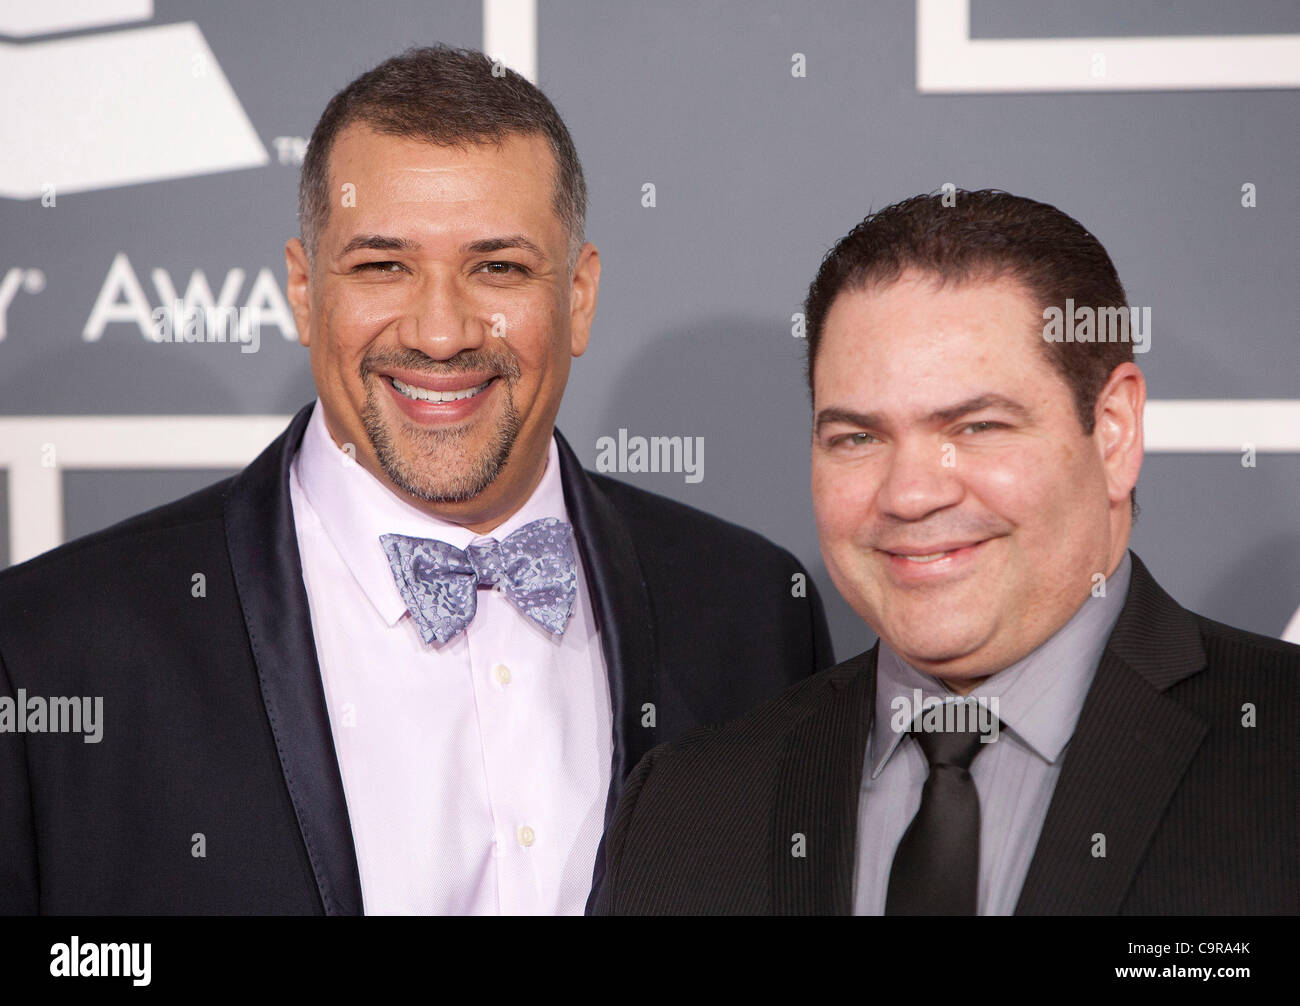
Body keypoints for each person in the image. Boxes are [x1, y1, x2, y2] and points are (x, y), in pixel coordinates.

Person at [0, 46, 832, 915]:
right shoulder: (54, 651)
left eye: (499, 267)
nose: (441, 333)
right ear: (301, 291)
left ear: (578, 298)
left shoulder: (752, 611)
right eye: (382, 266)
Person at [591, 189, 1300, 915]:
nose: (911, 495)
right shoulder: (685, 811)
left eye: (978, 427)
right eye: (857, 438)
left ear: (1113, 431)